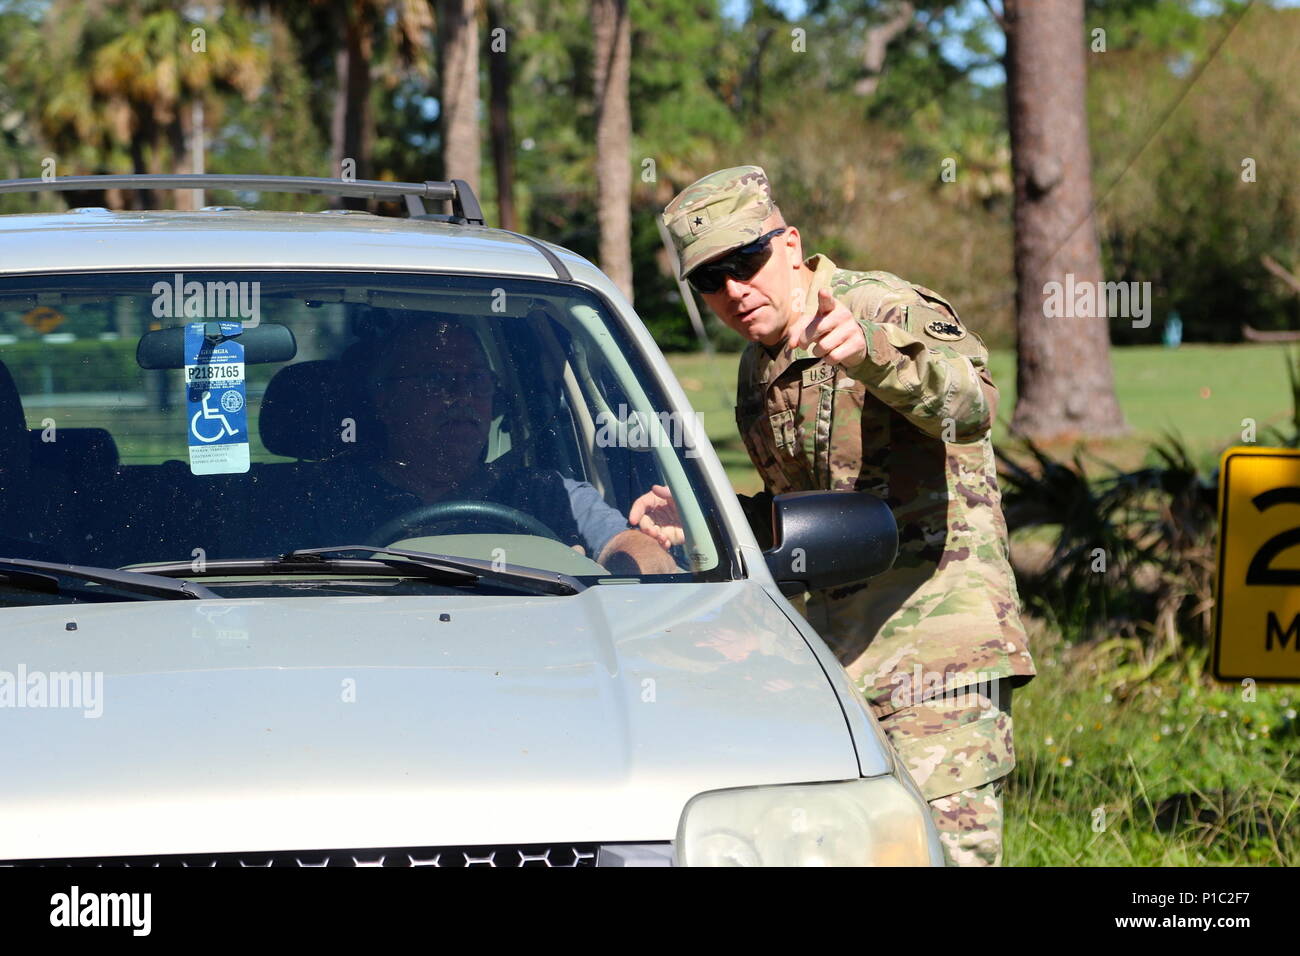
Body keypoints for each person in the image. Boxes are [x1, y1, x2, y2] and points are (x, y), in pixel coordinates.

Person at [633, 165, 1037, 866]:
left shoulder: (879, 307)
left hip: (938, 655)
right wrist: (702, 515)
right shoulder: (756, 370)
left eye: (745, 261)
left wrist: (876, 357)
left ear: (789, 245)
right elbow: (803, 513)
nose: (734, 290)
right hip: (833, 668)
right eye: (709, 279)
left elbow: (973, 407)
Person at [328, 316, 678, 576]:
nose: (462, 395)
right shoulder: (328, 496)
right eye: (436, 379)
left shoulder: (548, 494)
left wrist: (638, 562)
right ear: (385, 400)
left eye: (477, 379)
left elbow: (627, 544)